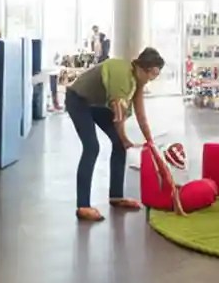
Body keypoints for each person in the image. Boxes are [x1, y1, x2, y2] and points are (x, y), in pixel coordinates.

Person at [67, 47, 164, 221]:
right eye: (152, 74)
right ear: (143, 68)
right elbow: (118, 118)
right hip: (78, 99)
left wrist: (150, 141)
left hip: (94, 103)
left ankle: (116, 196)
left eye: (156, 76)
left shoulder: (138, 82)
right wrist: (126, 139)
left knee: (119, 145)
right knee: (92, 148)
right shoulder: (122, 76)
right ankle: (83, 206)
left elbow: (141, 116)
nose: (152, 79)